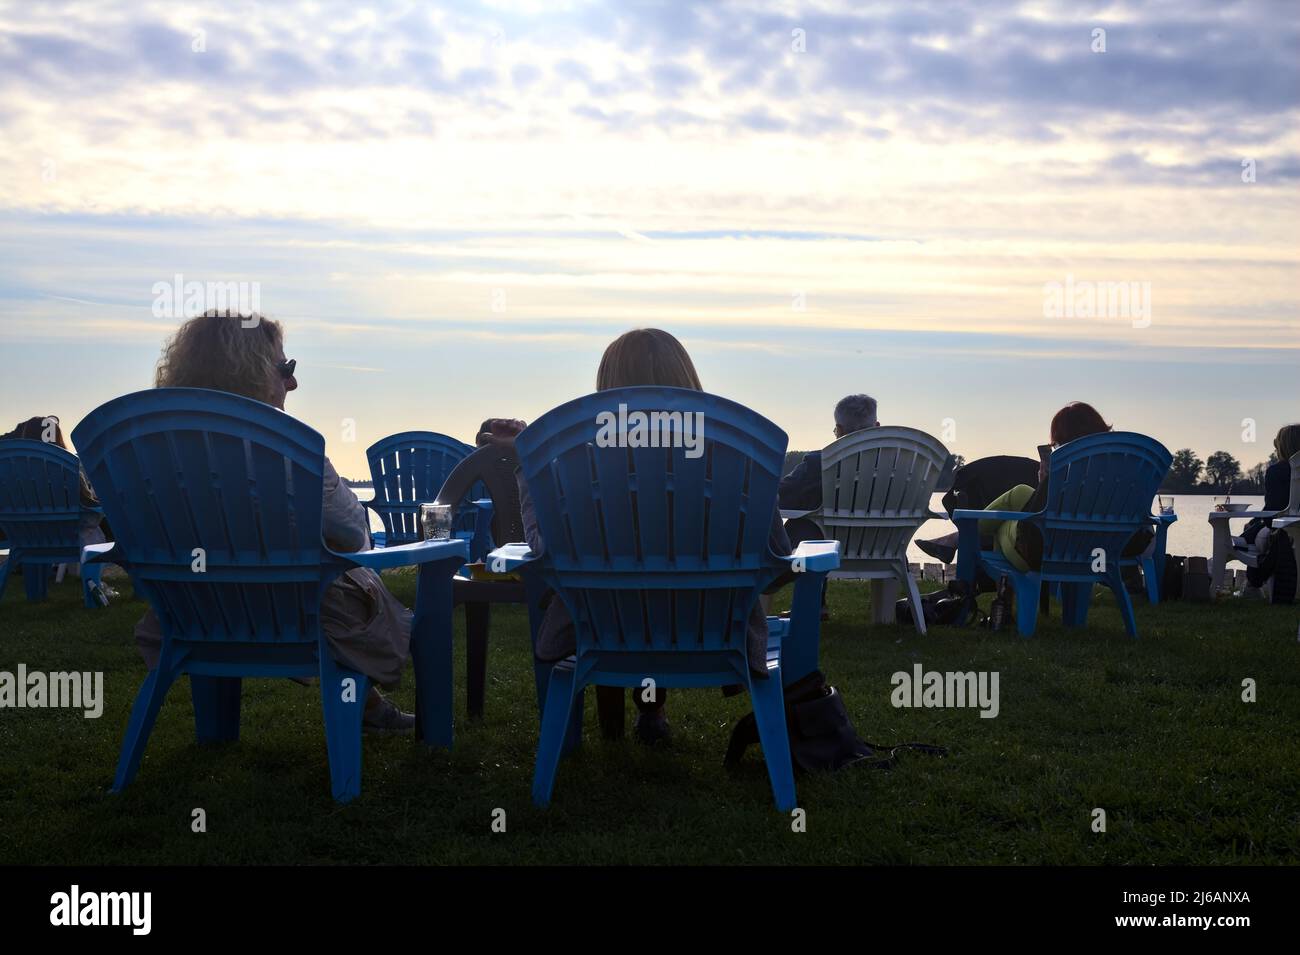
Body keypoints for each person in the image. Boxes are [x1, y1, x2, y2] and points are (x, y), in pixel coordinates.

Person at [488, 328, 793, 744]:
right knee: (667, 585)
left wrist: (526, 464)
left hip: (605, 626)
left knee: (630, 590)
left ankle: (644, 712)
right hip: (712, 625)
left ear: (606, 384)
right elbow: (778, 559)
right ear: (687, 378)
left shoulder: (579, 462)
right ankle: (657, 712)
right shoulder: (737, 454)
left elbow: (544, 550)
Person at [133, 310, 415, 731]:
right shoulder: (291, 450)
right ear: (248, 369)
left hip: (191, 615)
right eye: (286, 367)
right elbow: (356, 535)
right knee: (352, 589)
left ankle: (364, 708)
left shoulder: (145, 449)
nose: (293, 382)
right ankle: (393, 715)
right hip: (292, 617)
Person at [1239, 424, 1300, 601]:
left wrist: (1255, 523)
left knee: (1264, 535)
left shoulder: (1277, 472)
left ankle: (1252, 583)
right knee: (1260, 530)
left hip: (1285, 530)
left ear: (1283, 447)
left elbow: (1272, 514)